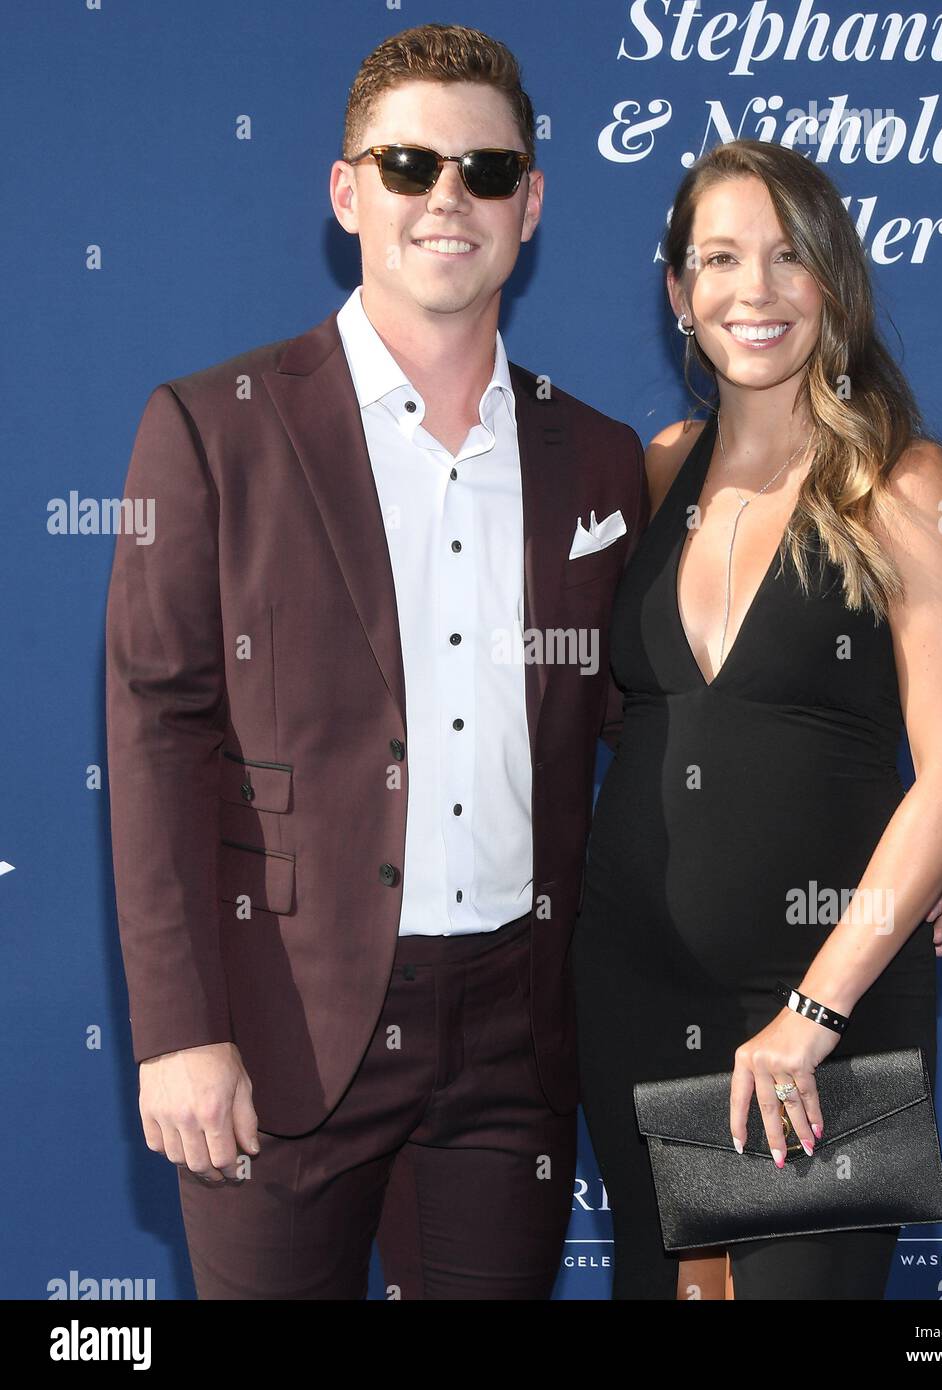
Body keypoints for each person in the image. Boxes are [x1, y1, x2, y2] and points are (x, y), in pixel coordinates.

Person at [104, 23, 652, 1299]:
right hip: (278, 1028)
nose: (445, 199)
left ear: (532, 202)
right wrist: (181, 1032)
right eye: (407, 166)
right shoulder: (210, 429)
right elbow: (156, 739)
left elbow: (662, 714)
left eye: (484, 169)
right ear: (348, 191)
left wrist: (843, 853)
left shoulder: (598, 455)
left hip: (516, 1043)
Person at [572, 138, 942, 1300]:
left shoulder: (903, 485)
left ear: (832, 283)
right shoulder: (657, 472)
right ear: (677, 292)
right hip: (630, 984)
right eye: (717, 258)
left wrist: (812, 1008)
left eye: (784, 257)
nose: (751, 291)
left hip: (824, 996)